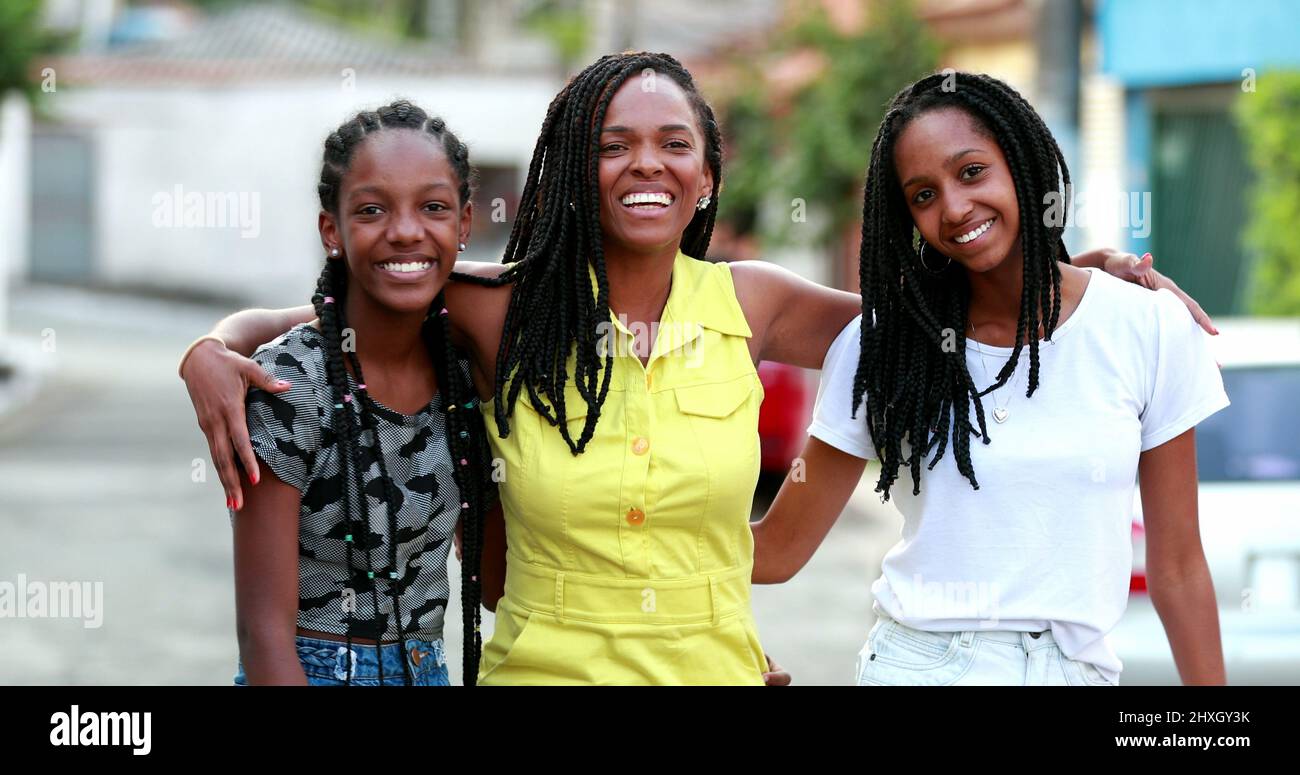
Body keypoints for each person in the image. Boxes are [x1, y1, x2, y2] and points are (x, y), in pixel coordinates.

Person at [181, 54, 1212, 685]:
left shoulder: (753, 303)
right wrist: (211, 351)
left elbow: (937, 311)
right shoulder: (499, 307)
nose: (646, 164)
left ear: (707, 172)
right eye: (614, 143)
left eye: (673, 142)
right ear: (573, 168)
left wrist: (1072, 275)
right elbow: (326, 315)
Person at [750, 72, 1229, 686]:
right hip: (919, 666)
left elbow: (1180, 566)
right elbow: (778, 550)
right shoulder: (883, 344)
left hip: (1078, 670)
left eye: (971, 172)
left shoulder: (1148, 327)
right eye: (923, 195)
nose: (953, 208)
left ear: (1023, 163)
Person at [219, 101, 495, 685]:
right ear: (332, 230)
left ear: (464, 224)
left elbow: (491, 579)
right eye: (372, 210)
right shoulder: (289, 381)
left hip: (427, 667)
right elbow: (263, 634)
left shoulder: (464, 378)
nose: (404, 230)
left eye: (434, 208)